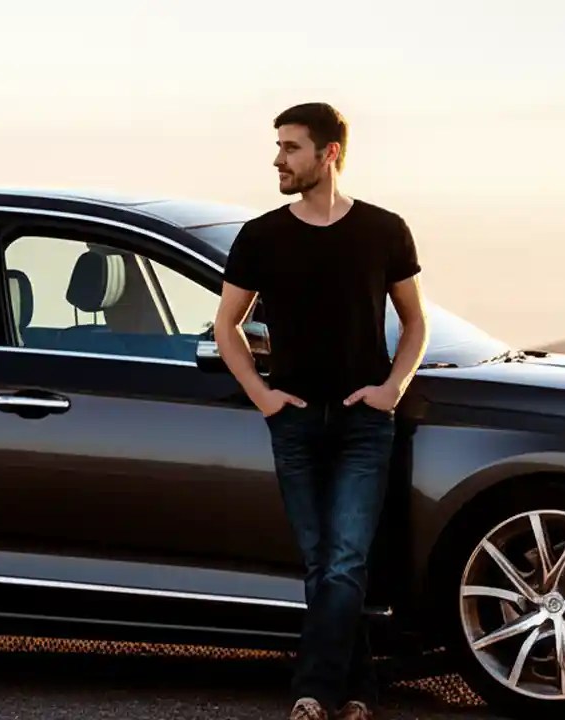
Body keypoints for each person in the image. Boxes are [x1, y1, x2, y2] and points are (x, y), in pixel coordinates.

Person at [213, 103, 430, 720]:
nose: (277, 159)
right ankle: (359, 691)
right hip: (296, 421)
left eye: (290, 147)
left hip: (365, 422)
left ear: (328, 154)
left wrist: (392, 388)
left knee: (343, 561)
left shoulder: (385, 231)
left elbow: (415, 323)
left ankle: (312, 691)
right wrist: (263, 398)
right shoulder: (261, 236)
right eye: (278, 147)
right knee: (325, 564)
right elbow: (226, 327)